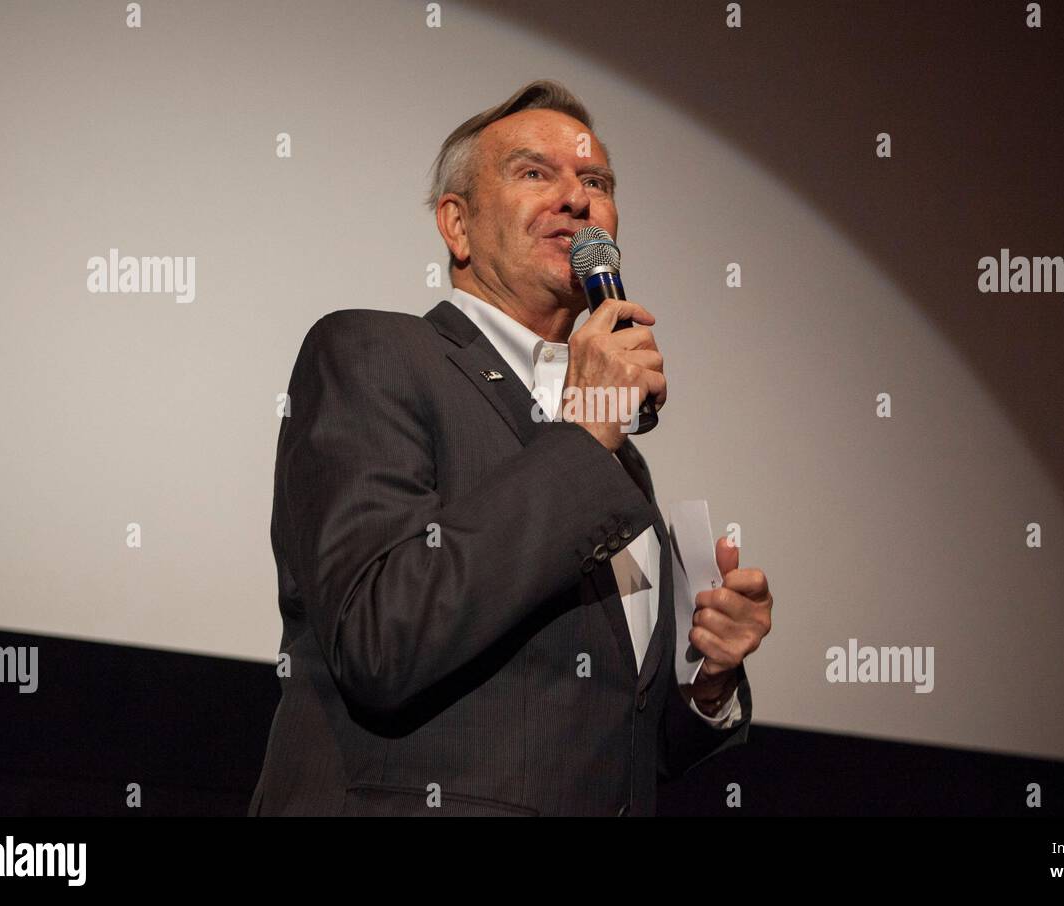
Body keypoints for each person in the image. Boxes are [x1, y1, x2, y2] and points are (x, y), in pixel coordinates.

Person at [248, 80, 773, 816]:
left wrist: (707, 678)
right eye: (534, 172)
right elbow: (380, 640)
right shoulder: (374, 353)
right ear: (457, 225)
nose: (576, 199)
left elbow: (610, 733)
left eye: (596, 182)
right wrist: (587, 430)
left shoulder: (620, 462)